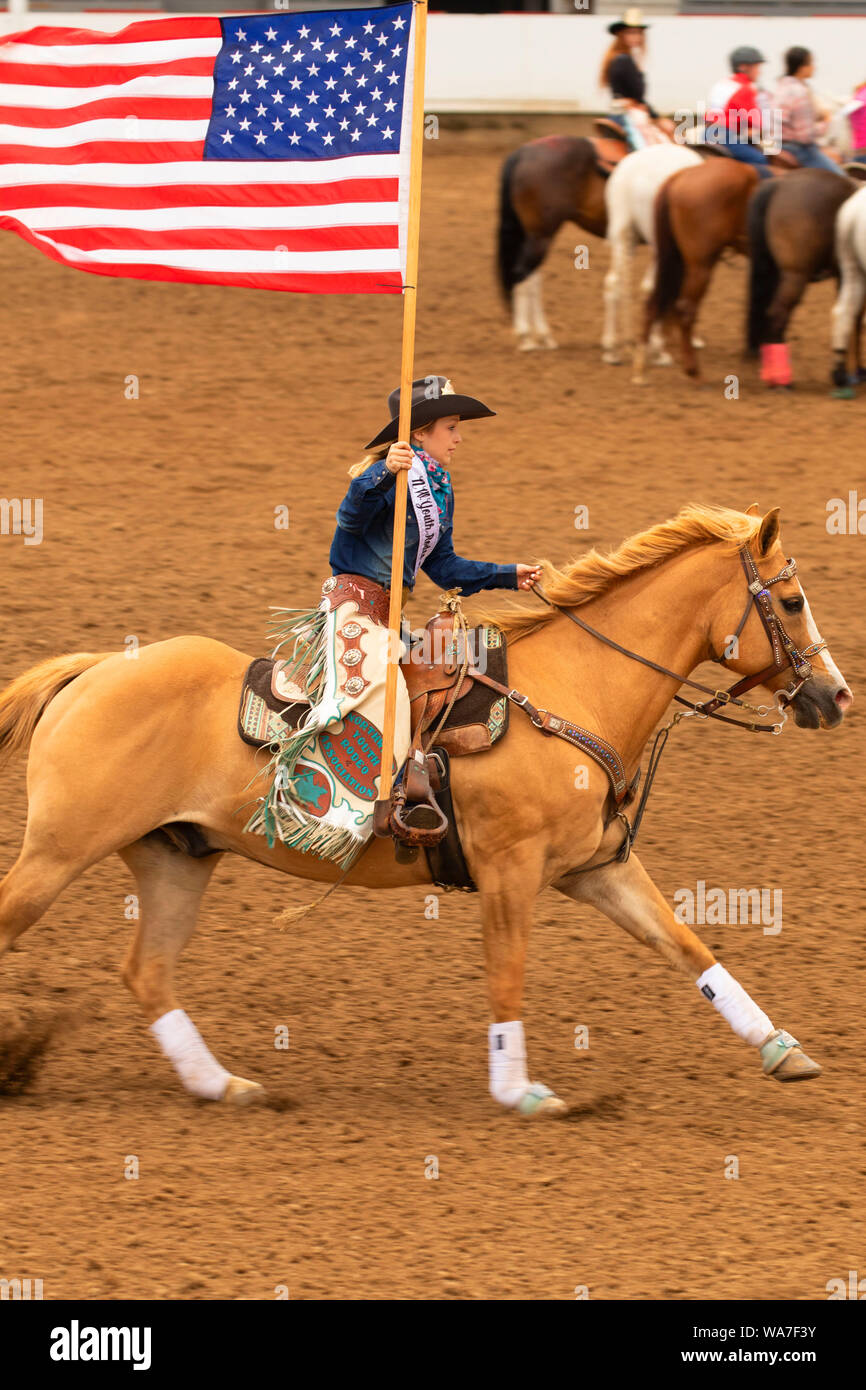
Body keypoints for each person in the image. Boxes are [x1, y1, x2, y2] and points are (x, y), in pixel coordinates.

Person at [248, 377, 541, 864]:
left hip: (390, 617)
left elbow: (445, 568)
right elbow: (349, 520)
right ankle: (379, 803)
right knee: (385, 692)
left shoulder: (438, 489)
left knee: (457, 670)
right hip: (355, 607)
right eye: (451, 427)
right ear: (421, 433)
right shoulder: (388, 479)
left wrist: (508, 575)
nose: (459, 437)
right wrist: (384, 473)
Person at [599, 9, 669, 151]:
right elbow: (637, 96)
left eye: (638, 32)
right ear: (621, 35)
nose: (636, 37)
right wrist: (657, 118)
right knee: (653, 149)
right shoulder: (624, 60)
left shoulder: (618, 58)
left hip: (620, 110)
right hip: (629, 113)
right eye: (631, 32)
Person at [773, 47, 845, 174]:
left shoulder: (780, 87)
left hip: (777, 144)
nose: (814, 67)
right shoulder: (800, 92)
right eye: (811, 63)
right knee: (843, 179)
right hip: (798, 148)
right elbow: (805, 136)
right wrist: (826, 123)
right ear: (802, 67)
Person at [705, 46, 773, 179]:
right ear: (743, 67)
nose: (759, 72)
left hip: (707, 132)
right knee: (760, 159)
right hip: (725, 136)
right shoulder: (745, 89)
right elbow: (756, 122)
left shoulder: (722, 83)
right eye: (757, 67)